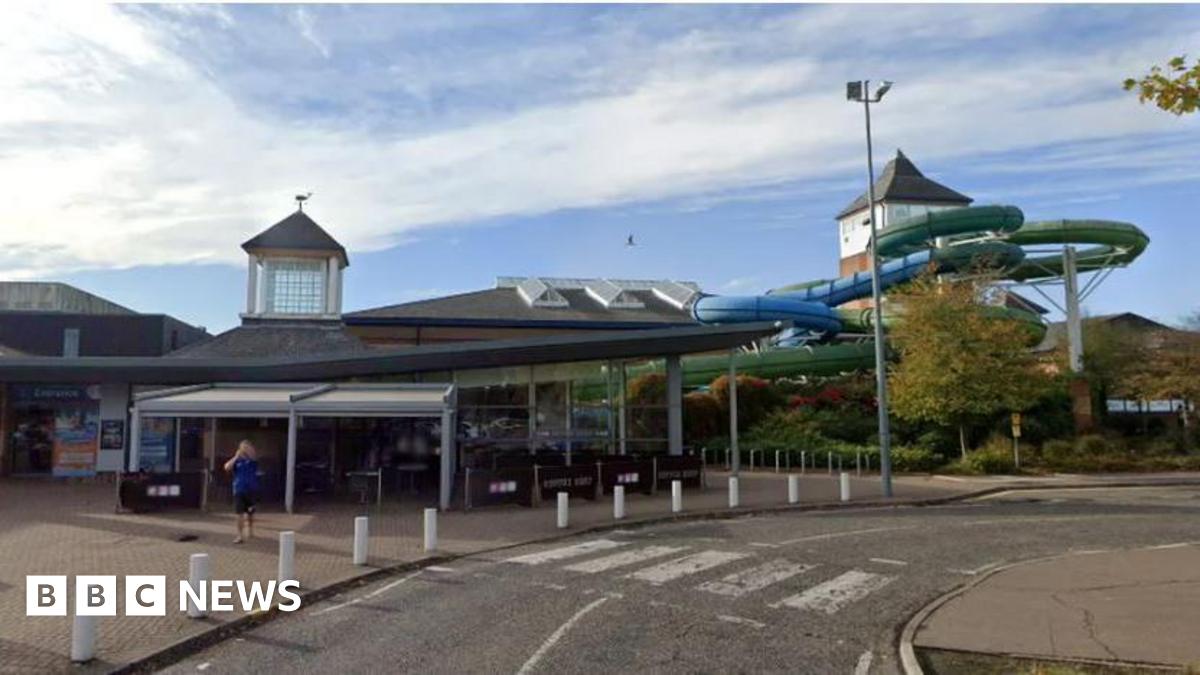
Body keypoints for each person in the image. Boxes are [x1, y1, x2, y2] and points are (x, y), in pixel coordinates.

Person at [223, 440, 260, 544]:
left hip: (251, 490)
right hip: (239, 490)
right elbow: (226, 467)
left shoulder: (252, 461)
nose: (245, 449)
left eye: (247, 447)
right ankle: (240, 535)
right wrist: (235, 457)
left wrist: (249, 451)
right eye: (243, 447)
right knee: (239, 513)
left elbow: (254, 457)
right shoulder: (237, 461)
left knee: (250, 513)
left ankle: (250, 530)